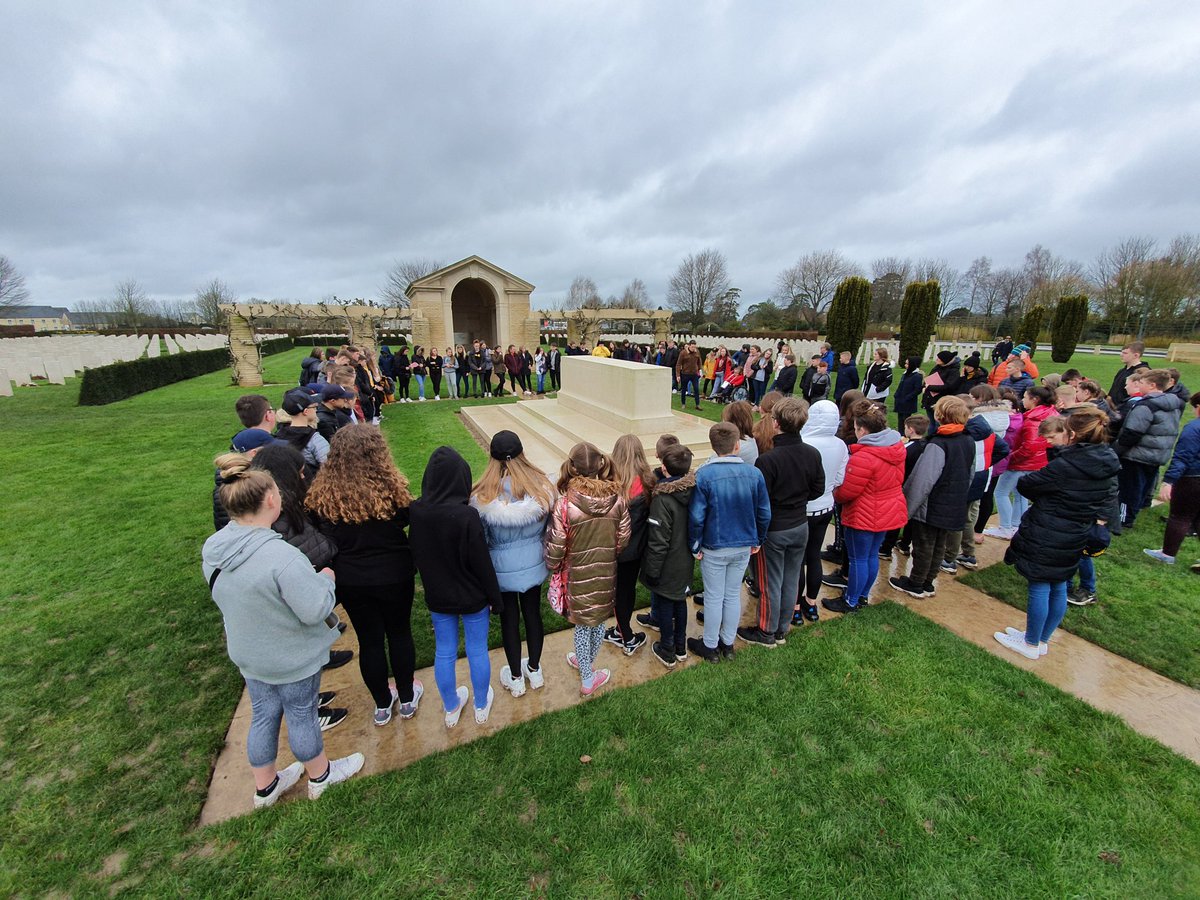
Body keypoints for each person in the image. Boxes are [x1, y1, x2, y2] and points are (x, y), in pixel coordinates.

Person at [202, 455, 363, 807]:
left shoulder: (215, 550)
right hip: (289, 655)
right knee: (302, 713)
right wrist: (326, 582)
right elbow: (314, 610)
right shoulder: (282, 558)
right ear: (271, 500)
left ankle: (265, 786)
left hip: (249, 651)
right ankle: (321, 775)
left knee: (263, 714)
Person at [307, 426, 422, 727]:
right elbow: (407, 516)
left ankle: (384, 704)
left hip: (353, 579)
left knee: (370, 641)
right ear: (378, 453)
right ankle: (406, 699)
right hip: (393, 574)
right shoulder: (390, 489)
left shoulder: (324, 496)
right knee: (398, 634)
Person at [994, 408, 1120, 659]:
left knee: (1040, 584)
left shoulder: (1068, 465)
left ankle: (1030, 644)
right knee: (1059, 584)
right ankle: (1040, 639)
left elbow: (1028, 484)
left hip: (1050, 529)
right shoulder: (1106, 460)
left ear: (1071, 434)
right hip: (1077, 529)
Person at [410, 447, 503, 726]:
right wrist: (495, 599)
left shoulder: (416, 511)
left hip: (439, 595)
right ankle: (480, 703)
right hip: (472, 596)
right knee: (476, 649)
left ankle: (452, 706)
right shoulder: (466, 517)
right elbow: (482, 563)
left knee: (445, 650)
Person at [471, 431, 555, 697]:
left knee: (510, 620)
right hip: (533, 564)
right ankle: (534, 669)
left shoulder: (482, 496)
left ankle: (518, 677)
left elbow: (481, 541)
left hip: (501, 570)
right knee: (533, 615)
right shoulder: (541, 487)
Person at [545, 442, 631, 696]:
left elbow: (556, 546)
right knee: (598, 620)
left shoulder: (564, 505)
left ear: (572, 467)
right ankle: (586, 666)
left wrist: (552, 564)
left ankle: (586, 676)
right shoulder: (618, 500)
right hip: (606, 572)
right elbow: (623, 539)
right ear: (601, 464)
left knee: (584, 624)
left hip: (577, 574)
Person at [741, 397, 825, 646]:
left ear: (775, 423)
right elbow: (818, 488)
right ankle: (781, 627)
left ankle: (767, 631)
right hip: (800, 525)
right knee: (790, 578)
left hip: (777, 529)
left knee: (771, 582)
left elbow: (760, 500)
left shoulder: (768, 460)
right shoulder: (812, 453)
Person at [687, 422, 772, 662]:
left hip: (717, 545)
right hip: (740, 543)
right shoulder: (752, 473)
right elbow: (764, 512)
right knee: (731, 594)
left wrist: (695, 544)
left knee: (716, 596)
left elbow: (696, 516)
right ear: (737, 446)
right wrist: (758, 538)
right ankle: (725, 643)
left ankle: (714, 644)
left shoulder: (706, 474)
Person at [889, 396, 975, 599]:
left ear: (941, 416)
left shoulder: (938, 444)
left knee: (924, 544)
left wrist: (907, 508)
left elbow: (923, 480)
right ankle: (928, 581)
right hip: (953, 501)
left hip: (932, 504)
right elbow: (970, 473)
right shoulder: (967, 439)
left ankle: (916, 582)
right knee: (939, 544)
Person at [828, 405, 907, 612]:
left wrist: (834, 493)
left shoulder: (865, 457)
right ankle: (862, 595)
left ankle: (851, 600)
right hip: (887, 510)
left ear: (863, 430)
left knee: (858, 559)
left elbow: (847, 492)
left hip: (865, 513)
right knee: (871, 555)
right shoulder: (896, 449)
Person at [640, 443, 697, 668]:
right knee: (679, 601)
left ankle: (668, 648)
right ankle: (680, 646)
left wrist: (652, 571)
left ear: (663, 468)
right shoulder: (693, 489)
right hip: (684, 560)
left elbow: (658, 541)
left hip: (667, 563)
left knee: (665, 603)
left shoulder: (662, 499)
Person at [793, 399, 848, 623]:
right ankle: (811, 604)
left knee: (798, 560)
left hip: (802, 508)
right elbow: (839, 479)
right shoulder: (840, 445)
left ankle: (796, 607)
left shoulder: (803, 442)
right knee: (813, 555)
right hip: (825, 505)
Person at [604, 434, 657, 654]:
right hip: (636, 549)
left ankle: (626, 637)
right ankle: (622, 630)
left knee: (621, 593)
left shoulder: (609, 484)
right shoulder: (648, 481)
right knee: (627, 590)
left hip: (615, 549)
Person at [1115, 369, 1185, 528]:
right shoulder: (1174, 404)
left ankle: (1124, 519)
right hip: (1157, 453)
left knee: (1129, 488)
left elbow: (1132, 433)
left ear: (1152, 385)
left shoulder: (1146, 406)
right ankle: (1137, 509)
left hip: (1137, 454)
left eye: (1142, 382)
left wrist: (1116, 450)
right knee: (1144, 486)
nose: (1139, 385)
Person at [985, 386, 1056, 539]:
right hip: (1039, 461)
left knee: (1001, 492)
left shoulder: (1033, 420)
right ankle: (1016, 524)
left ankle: (1005, 527)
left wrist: (1010, 458)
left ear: (1034, 399)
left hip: (1023, 463)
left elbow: (1029, 446)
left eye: (1025, 397)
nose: (1022, 400)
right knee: (1020, 493)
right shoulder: (1049, 413)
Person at [1144, 390, 1200, 566]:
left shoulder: (1193, 428)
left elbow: (1183, 457)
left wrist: (1169, 481)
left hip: (1192, 478)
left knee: (1180, 516)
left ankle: (1167, 554)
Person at [275, 388, 330, 477]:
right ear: (305, 411)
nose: (316, 410)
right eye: (314, 407)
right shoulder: (315, 439)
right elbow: (329, 467)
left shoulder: (279, 436)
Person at [1109, 340, 1150, 410]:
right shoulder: (1122, 371)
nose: (1121, 355)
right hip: (1113, 409)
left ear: (1136, 355)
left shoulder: (1142, 373)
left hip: (1125, 409)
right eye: (1122, 352)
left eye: (1125, 353)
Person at [722, 401, 759, 466]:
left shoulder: (738, 447)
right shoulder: (747, 440)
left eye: (725, 420)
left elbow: (709, 467)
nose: (722, 422)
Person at [893, 356, 924, 429]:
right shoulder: (905, 374)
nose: (905, 365)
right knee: (900, 419)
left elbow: (917, 390)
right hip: (900, 399)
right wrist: (896, 395)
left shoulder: (917, 376)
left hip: (908, 401)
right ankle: (900, 434)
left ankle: (905, 434)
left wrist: (907, 397)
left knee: (906, 419)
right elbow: (901, 385)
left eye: (907, 364)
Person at [676, 339, 702, 409]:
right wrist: (678, 375)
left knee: (696, 389)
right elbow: (678, 364)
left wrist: (699, 369)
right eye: (692, 347)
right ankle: (683, 403)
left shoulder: (697, 352)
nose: (693, 348)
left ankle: (697, 404)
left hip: (694, 374)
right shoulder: (683, 353)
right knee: (684, 389)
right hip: (685, 374)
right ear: (689, 346)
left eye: (695, 347)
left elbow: (699, 361)